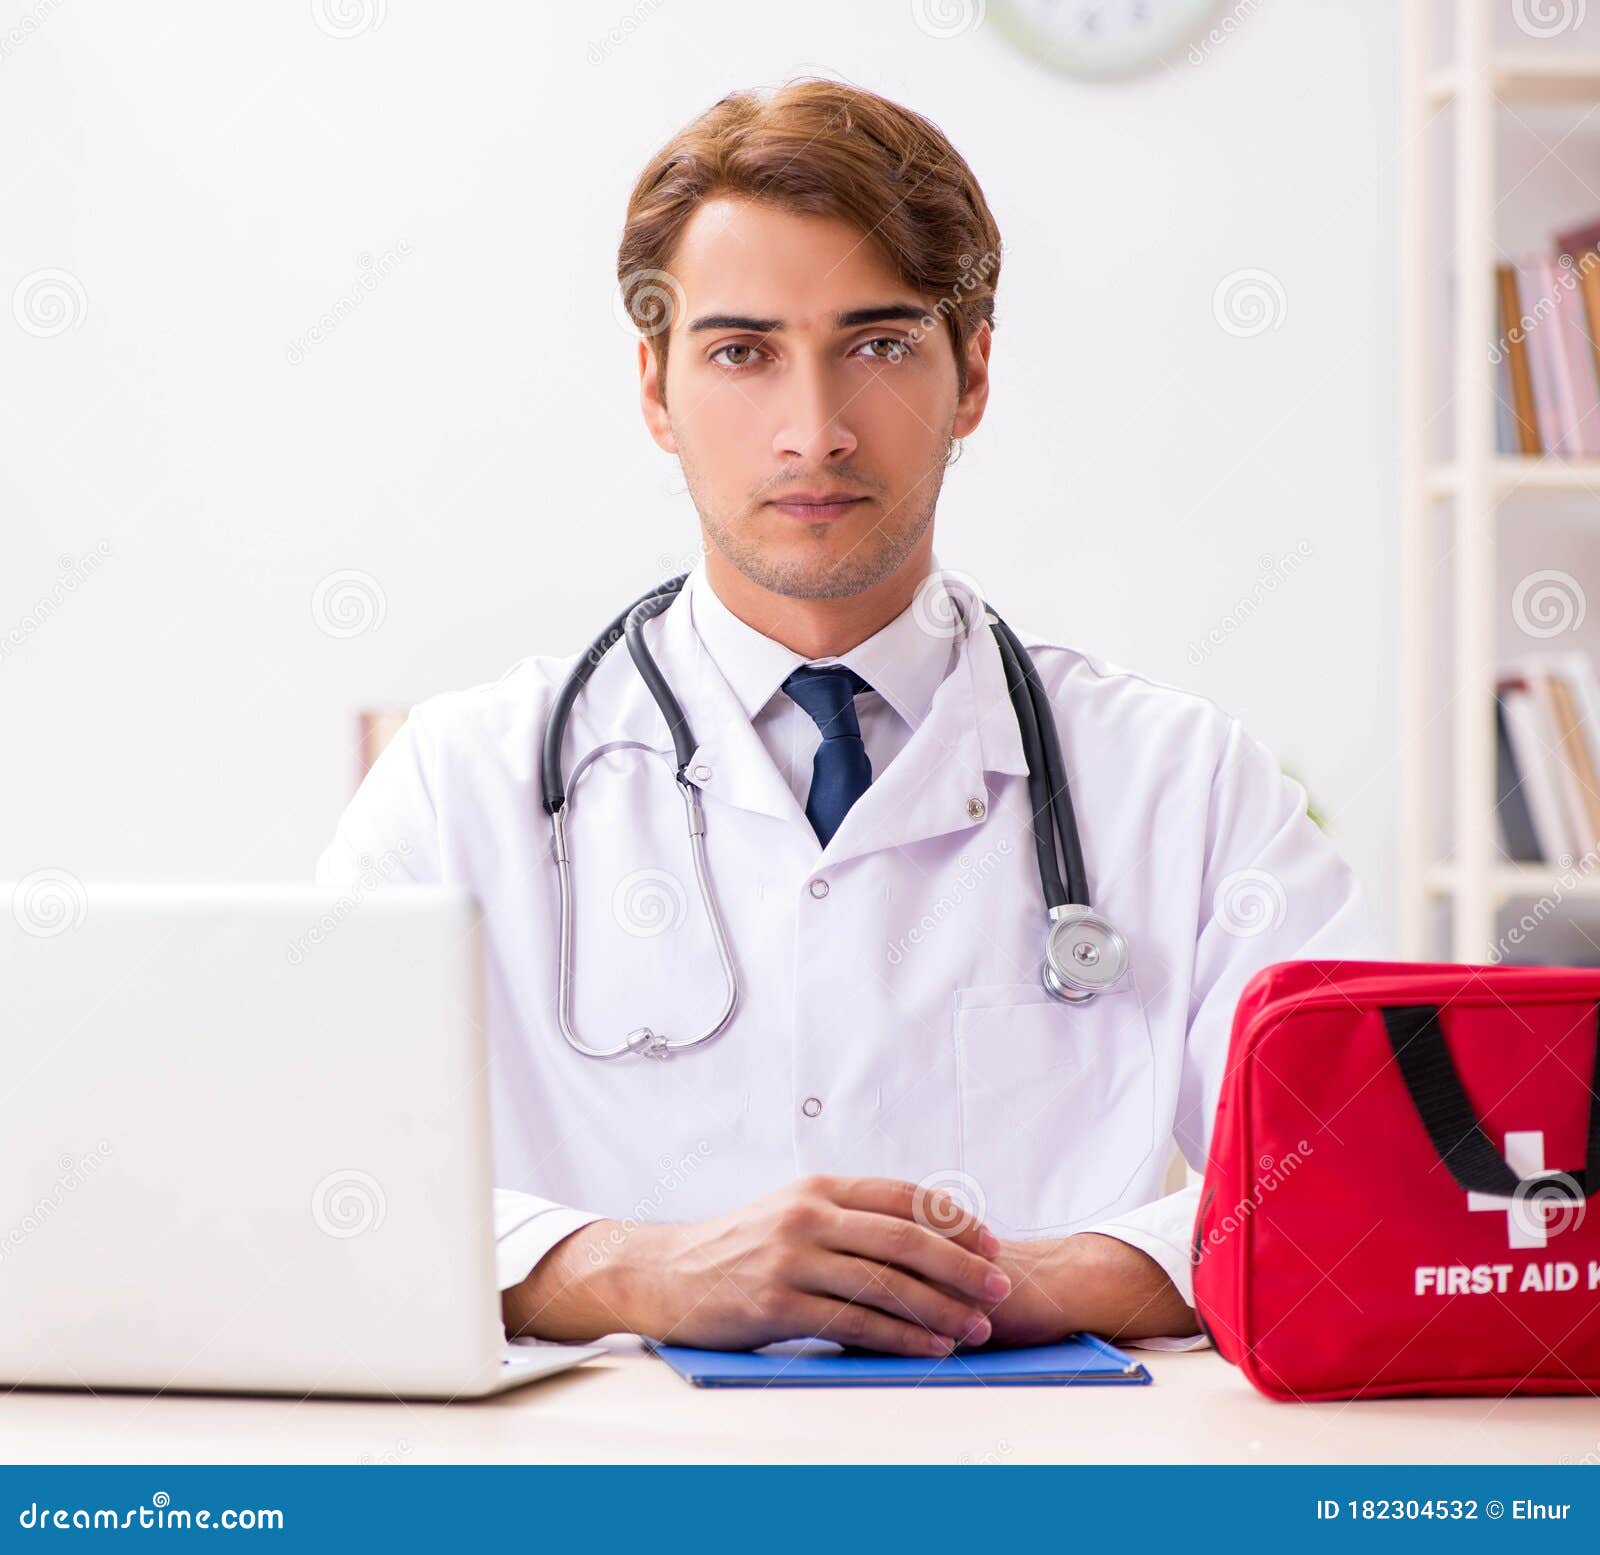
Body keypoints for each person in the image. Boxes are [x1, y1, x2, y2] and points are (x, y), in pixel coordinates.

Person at [315, 78, 1382, 1358]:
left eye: (876, 345)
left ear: (971, 372)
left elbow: (1363, 1181)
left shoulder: (1177, 780)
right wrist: (634, 1273)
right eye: (741, 352)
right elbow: (318, 1193)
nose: (811, 432)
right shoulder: (464, 783)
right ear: (654, 388)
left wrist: (1017, 1283)